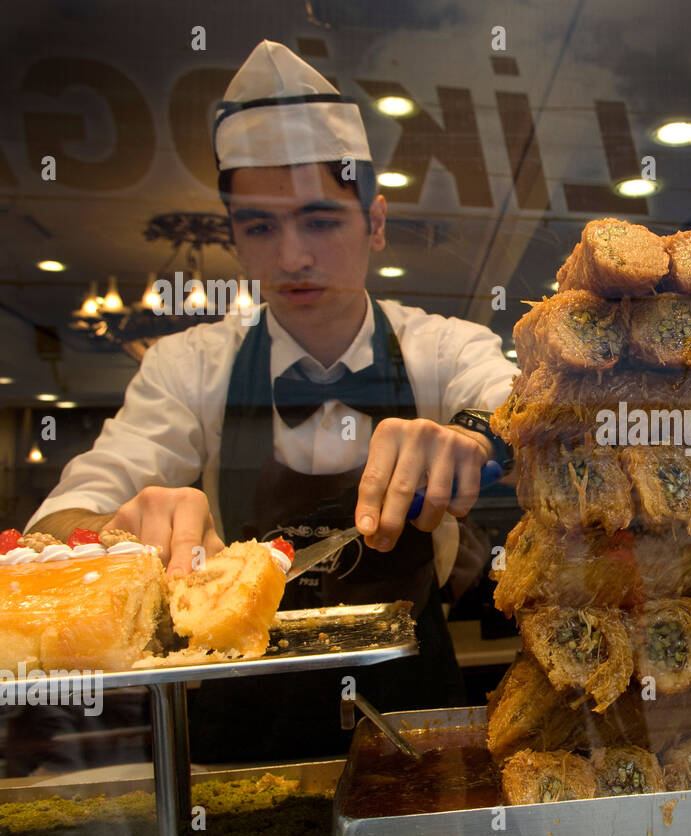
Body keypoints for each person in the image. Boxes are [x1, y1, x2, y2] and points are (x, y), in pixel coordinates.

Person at [27, 40, 519, 760]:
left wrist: (473, 440)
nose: (292, 256)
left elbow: (521, 404)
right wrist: (119, 529)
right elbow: (57, 522)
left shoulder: (437, 346)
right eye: (261, 226)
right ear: (234, 238)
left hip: (419, 711)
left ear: (375, 223)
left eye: (320, 220)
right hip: (240, 724)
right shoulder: (189, 365)